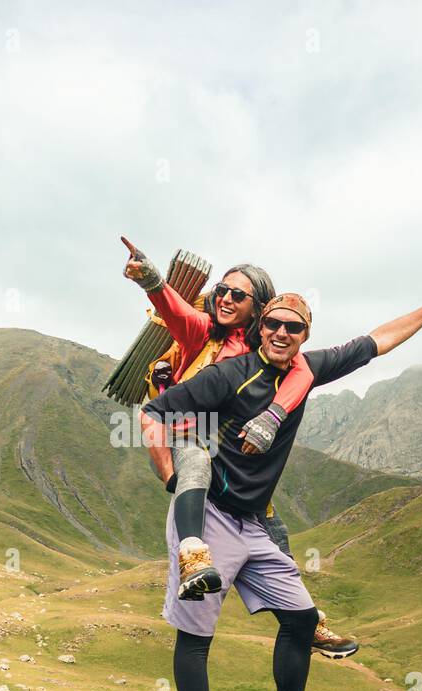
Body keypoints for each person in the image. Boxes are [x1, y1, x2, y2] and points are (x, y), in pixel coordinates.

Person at [139, 267, 422, 691]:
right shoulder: (229, 375)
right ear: (259, 326)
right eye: (272, 324)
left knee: (300, 619)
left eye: (292, 328)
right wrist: (177, 467)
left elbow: (379, 340)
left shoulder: (309, 370)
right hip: (211, 519)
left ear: (304, 337)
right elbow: (158, 408)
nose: (280, 333)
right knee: (196, 638)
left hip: (256, 524)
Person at [122, 239, 358, 659]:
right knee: (193, 470)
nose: (225, 299)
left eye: (238, 295)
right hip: (186, 436)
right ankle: (193, 551)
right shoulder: (204, 331)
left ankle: (308, 618)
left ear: (259, 309)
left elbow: (303, 370)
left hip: (227, 454)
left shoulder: (267, 350)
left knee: (272, 526)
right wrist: (152, 280)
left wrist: (273, 416)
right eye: (221, 292)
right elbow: (175, 311)